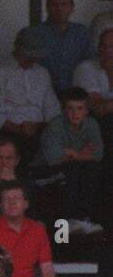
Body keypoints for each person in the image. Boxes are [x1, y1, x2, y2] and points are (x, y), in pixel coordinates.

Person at [38, 87, 104, 235]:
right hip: (44, 172)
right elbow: (53, 158)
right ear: (64, 109)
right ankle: (67, 221)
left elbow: (98, 155)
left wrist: (71, 153)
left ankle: (82, 219)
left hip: (74, 168)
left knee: (92, 168)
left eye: (80, 108)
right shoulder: (55, 125)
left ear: (87, 110)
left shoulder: (91, 124)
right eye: (70, 108)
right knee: (74, 169)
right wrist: (81, 153)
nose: (75, 113)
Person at [0, 28, 61, 157]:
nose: (32, 58)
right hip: (10, 133)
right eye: (29, 54)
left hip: (40, 130)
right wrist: (19, 128)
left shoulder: (42, 73)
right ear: (18, 48)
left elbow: (52, 108)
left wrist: (44, 127)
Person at [30, 0, 93, 93]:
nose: (59, 9)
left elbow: (90, 65)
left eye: (64, 4)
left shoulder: (82, 33)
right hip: (44, 95)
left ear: (72, 7)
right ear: (47, 7)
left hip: (77, 97)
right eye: (54, 4)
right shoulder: (36, 34)